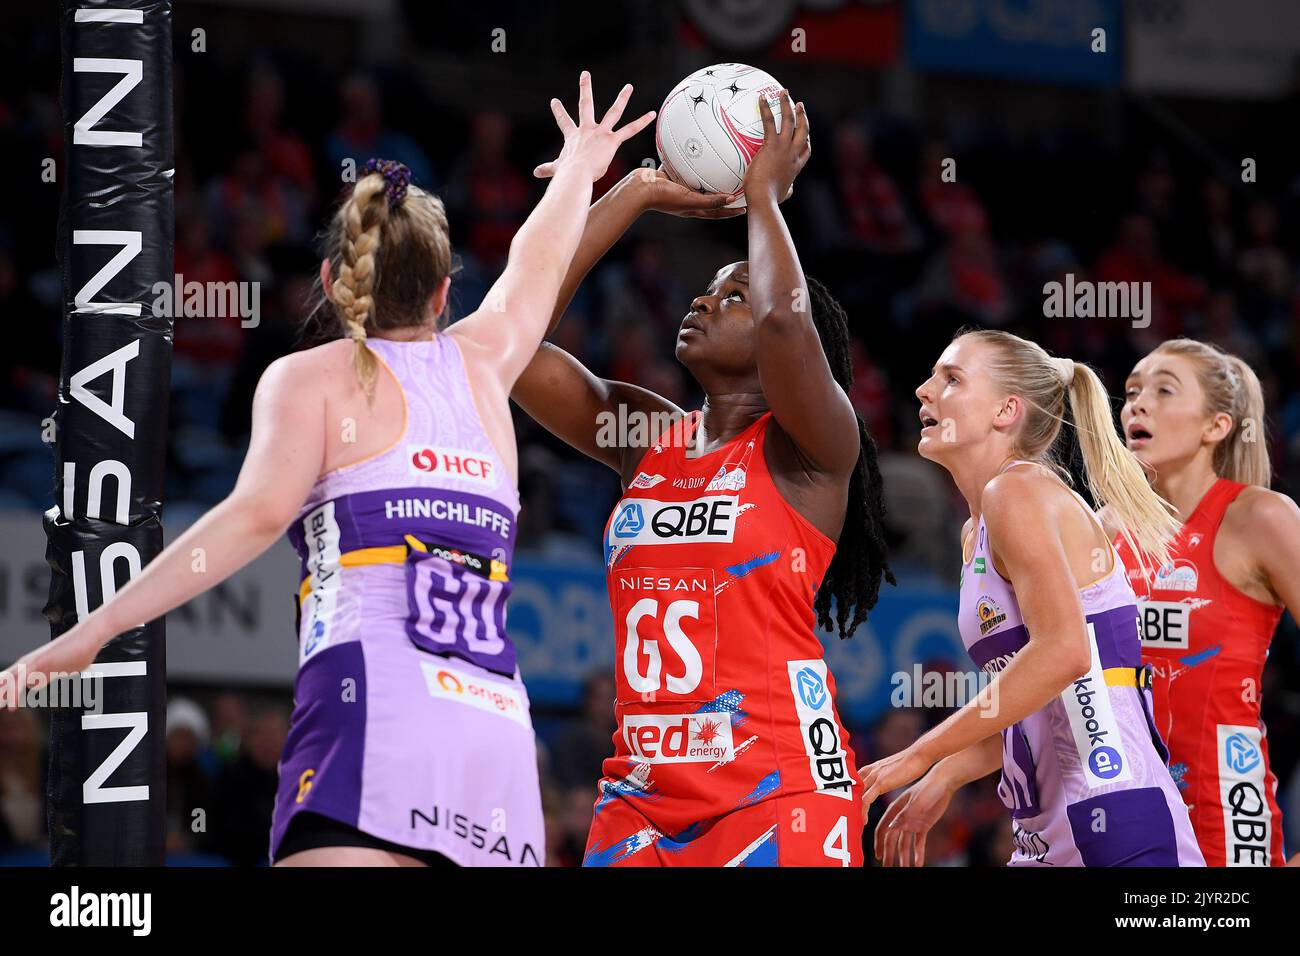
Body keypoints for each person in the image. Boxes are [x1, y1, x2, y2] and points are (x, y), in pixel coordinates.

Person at [1, 72, 655, 867]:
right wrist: (585, 166)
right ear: (447, 293)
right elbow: (536, 262)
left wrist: (97, 630)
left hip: (373, 700)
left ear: (330, 283)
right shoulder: (487, 362)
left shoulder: (309, 378)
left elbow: (252, 517)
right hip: (496, 731)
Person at [513, 93, 893, 866]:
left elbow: (788, 321)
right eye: (706, 291)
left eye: (732, 296)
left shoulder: (814, 447)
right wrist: (636, 192)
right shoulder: (647, 436)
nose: (701, 300)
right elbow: (504, 344)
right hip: (639, 797)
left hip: (779, 787)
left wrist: (764, 198)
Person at [861, 329, 1204, 867]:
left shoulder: (1016, 491)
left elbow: (1064, 652)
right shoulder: (975, 529)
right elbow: (1037, 706)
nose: (924, 391)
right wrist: (943, 775)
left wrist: (922, 751)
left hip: (1110, 810)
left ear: (1006, 411)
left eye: (951, 378)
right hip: (1047, 832)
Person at [1117, 338, 1300, 866]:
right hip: (1120, 811)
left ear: (1215, 426)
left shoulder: (1260, 518)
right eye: (1132, 392)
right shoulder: (1102, 529)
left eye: (1163, 390)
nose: (1138, 404)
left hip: (1226, 815)